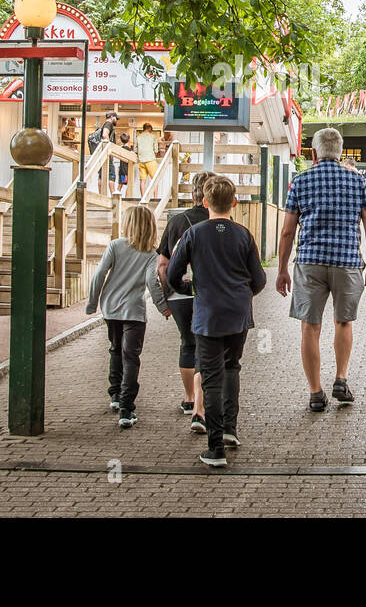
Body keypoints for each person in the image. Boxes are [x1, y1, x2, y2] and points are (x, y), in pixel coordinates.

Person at [276, 127, 366, 413]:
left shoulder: (300, 181)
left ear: (314, 153)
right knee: (343, 322)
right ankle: (341, 378)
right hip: (347, 262)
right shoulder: (357, 181)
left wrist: (283, 268)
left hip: (310, 261)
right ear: (340, 152)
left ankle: (315, 393)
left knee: (310, 327)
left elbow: (287, 232)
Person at [167, 175, 267, 468]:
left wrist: (192, 290)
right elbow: (259, 279)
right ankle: (230, 430)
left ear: (205, 201)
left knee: (210, 377)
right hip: (238, 314)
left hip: (208, 314)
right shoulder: (244, 235)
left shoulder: (194, 234)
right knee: (232, 367)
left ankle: (214, 448)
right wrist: (242, 293)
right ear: (234, 202)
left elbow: (173, 275)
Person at [86, 205, 159, 429]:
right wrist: (163, 306)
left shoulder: (115, 246)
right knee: (131, 356)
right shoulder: (151, 254)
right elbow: (152, 283)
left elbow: (99, 275)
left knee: (116, 348)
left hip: (111, 309)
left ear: (128, 224)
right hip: (135, 312)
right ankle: (127, 408)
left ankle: (115, 394)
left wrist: (92, 303)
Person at [156, 171, 211, 432]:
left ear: (193, 194)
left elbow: (162, 263)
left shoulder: (177, 221)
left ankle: (189, 399)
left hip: (179, 294)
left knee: (187, 343)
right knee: (206, 345)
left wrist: (168, 291)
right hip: (208, 293)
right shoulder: (220, 218)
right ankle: (202, 404)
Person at [135, 123, 160, 187]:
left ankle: (143, 197)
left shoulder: (138, 137)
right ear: (149, 128)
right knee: (155, 180)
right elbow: (156, 150)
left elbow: (135, 150)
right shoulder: (153, 137)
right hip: (151, 160)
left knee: (142, 181)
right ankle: (155, 197)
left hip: (141, 161)